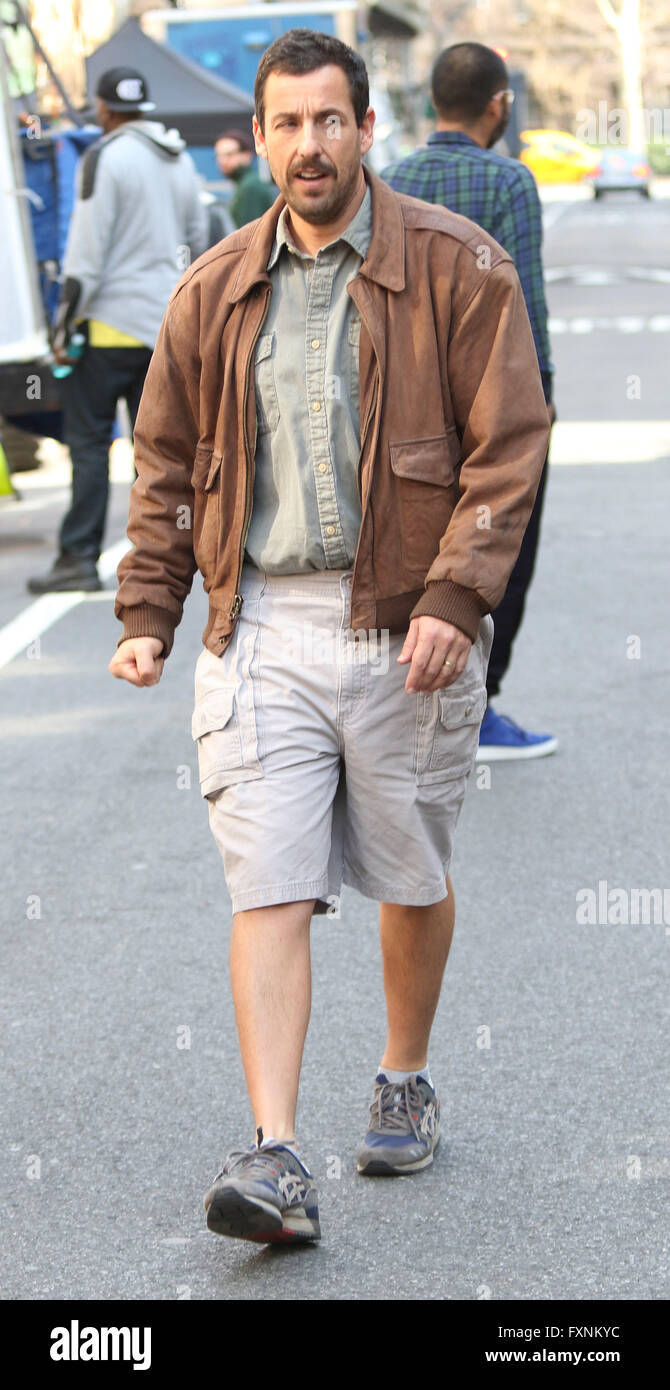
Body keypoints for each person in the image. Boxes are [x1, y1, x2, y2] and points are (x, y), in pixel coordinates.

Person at [109, 29, 550, 1246]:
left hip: (405, 625)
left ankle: (403, 1070)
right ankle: (276, 1154)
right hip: (258, 627)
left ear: (367, 130)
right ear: (256, 140)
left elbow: (508, 444)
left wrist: (459, 601)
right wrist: (151, 610)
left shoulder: (459, 269)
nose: (309, 144)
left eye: (329, 120)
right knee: (270, 882)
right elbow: (163, 464)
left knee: (409, 875)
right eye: (286, 124)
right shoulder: (211, 291)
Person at [383, 42, 557, 760]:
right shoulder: (510, 181)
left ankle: (405, 700)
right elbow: (526, 304)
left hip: (409, 404)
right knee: (500, 546)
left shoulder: (388, 178)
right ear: (499, 104)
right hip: (490, 402)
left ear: (431, 102)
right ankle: (475, 710)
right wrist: (539, 402)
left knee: (418, 547)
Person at [28, 66, 208, 595]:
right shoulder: (179, 162)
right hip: (163, 330)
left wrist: (64, 321)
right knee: (155, 454)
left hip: (108, 329)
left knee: (87, 444)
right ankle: (166, 562)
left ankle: (78, 557)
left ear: (104, 110)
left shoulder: (103, 156)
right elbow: (199, 242)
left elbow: (86, 248)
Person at [214, 127, 277, 227]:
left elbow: (248, 236)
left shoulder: (250, 187)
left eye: (229, 154)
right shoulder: (245, 184)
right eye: (219, 156)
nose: (222, 161)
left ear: (247, 155)